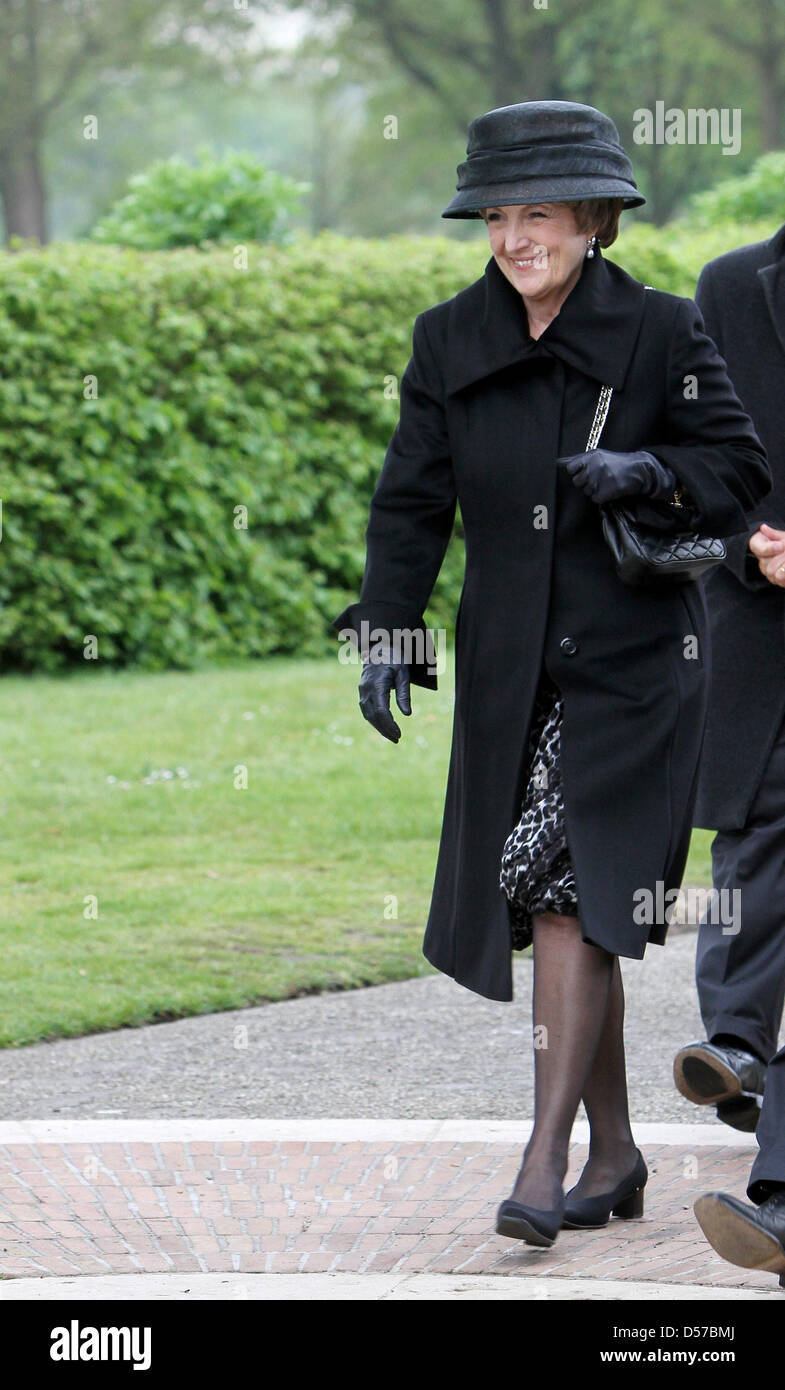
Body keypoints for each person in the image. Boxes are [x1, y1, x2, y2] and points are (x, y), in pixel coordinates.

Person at [331, 100, 770, 1248]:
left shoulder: (663, 332)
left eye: (538, 215)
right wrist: (386, 626)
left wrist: (647, 473)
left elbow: (733, 472)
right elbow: (410, 501)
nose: (513, 236)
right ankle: (616, 1153)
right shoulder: (445, 341)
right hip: (507, 678)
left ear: (592, 222)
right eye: (494, 215)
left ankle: (541, 1159)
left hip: (634, 670)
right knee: (566, 895)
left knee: (564, 886)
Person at [674, 227, 785, 1137]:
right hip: (759, 626)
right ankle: (735, 1049)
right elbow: (698, 459)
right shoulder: (733, 285)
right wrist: (747, 544)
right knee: (754, 831)